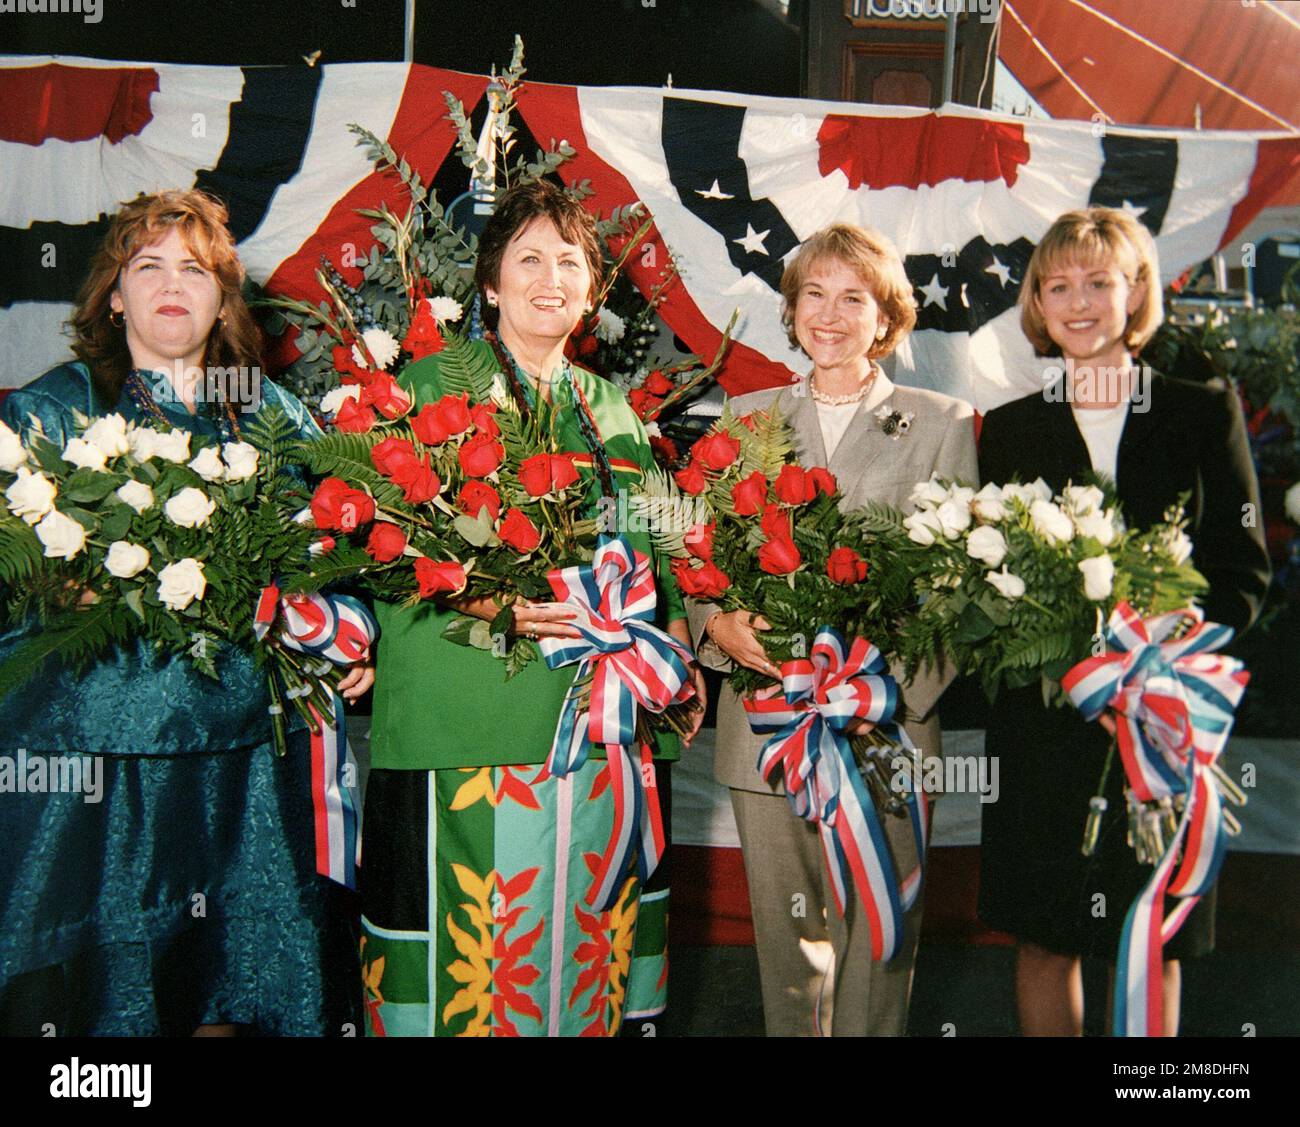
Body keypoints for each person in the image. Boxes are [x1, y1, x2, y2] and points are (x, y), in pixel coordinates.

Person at [0, 189, 371, 1036]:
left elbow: (335, 562)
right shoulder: (51, 410)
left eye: (196, 270)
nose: (174, 285)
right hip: (95, 762)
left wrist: (348, 635)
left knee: (238, 987)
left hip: (247, 762)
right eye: (149, 266)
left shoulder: (270, 414)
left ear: (222, 297)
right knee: (101, 1004)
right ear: (114, 294)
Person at [359, 178, 705, 1038]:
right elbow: (382, 550)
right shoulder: (433, 387)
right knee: (470, 983)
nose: (551, 277)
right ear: (489, 281)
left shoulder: (614, 408)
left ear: (591, 287)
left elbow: (670, 547)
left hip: (596, 735)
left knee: (579, 983)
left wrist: (698, 645)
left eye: (570, 260)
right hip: (464, 733)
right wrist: (502, 608)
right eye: (529, 258)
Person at [976, 206, 1270, 1036]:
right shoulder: (1008, 429)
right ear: (1036, 301)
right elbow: (979, 586)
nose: (1078, 302)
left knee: (1154, 940)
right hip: (1044, 724)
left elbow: (1243, 569)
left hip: (1166, 723)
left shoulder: (1201, 411)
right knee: (1044, 935)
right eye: (1057, 284)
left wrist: (1167, 658)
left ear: (1135, 290)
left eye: (1098, 282)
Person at [686, 223, 978, 1036]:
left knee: (879, 947)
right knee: (788, 956)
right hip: (768, 724)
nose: (831, 313)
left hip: (885, 732)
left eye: (855, 297)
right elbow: (699, 561)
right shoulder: (744, 418)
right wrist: (720, 626)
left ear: (886, 319)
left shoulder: (941, 421)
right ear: (790, 310)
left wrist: (879, 693)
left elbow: (959, 589)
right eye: (813, 293)